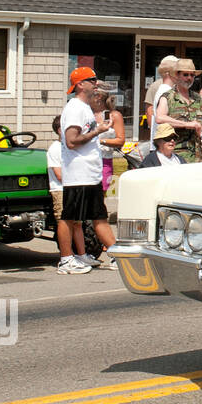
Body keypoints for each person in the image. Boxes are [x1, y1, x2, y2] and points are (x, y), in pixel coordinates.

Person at [59, 67, 115, 273]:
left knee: (99, 215)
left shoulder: (84, 108)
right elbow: (72, 141)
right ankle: (66, 260)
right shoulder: (74, 108)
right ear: (80, 84)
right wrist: (97, 131)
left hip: (90, 174)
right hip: (77, 174)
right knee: (70, 218)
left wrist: (96, 129)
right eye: (92, 80)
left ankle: (115, 255)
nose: (96, 83)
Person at [156, 58, 202, 163]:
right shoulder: (168, 97)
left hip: (197, 155)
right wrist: (187, 124)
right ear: (177, 75)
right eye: (185, 75)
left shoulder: (197, 97)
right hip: (176, 155)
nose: (189, 78)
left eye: (192, 75)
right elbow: (160, 118)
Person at [91, 88, 125, 192]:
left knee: (101, 193)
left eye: (90, 95)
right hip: (86, 160)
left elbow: (120, 141)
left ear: (98, 97)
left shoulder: (114, 115)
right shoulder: (87, 114)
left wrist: (100, 140)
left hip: (104, 160)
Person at [144, 55, 177, 142]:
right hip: (163, 139)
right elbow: (149, 111)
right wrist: (155, 134)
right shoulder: (158, 86)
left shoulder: (176, 86)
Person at [46, 115, 64, 243]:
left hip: (73, 188)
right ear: (59, 130)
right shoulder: (55, 149)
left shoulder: (72, 147)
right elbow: (59, 175)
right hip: (60, 190)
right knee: (63, 221)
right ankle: (67, 254)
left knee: (77, 222)